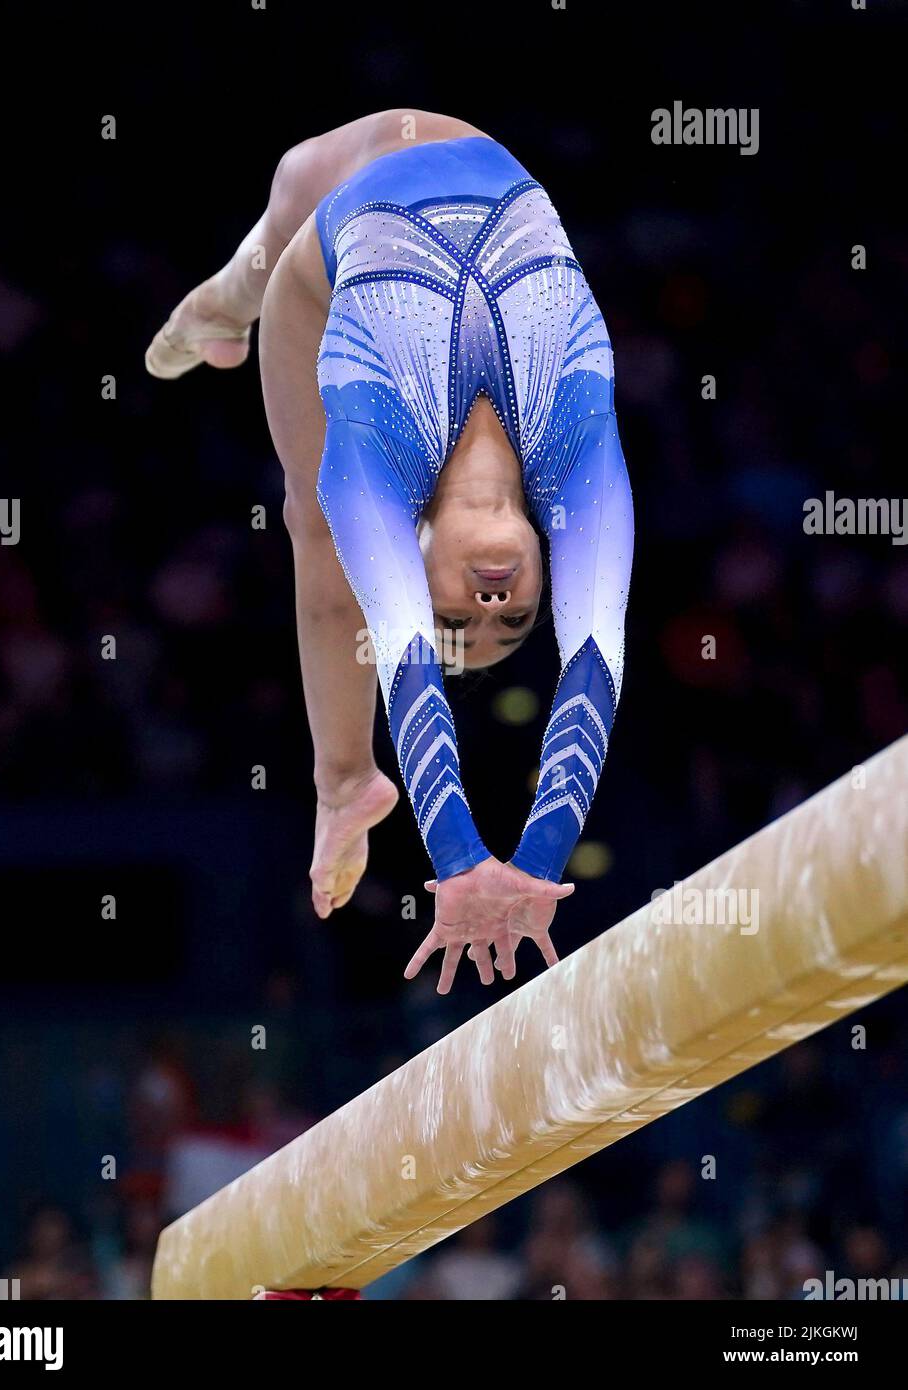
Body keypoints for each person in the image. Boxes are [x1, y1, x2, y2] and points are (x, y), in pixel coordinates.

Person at [146, 109, 633, 992]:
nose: (491, 602)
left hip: (326, 267)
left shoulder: (379, 456)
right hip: (458, 149)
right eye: (514, 616)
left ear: (412, 563)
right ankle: (217, 306)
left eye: (457, 613)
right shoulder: (578, 448)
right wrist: (530, 858)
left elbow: (401, 659)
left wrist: (457, 856)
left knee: (315, 527)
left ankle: (342, 781)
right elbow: (596, 660)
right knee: (288, 195)